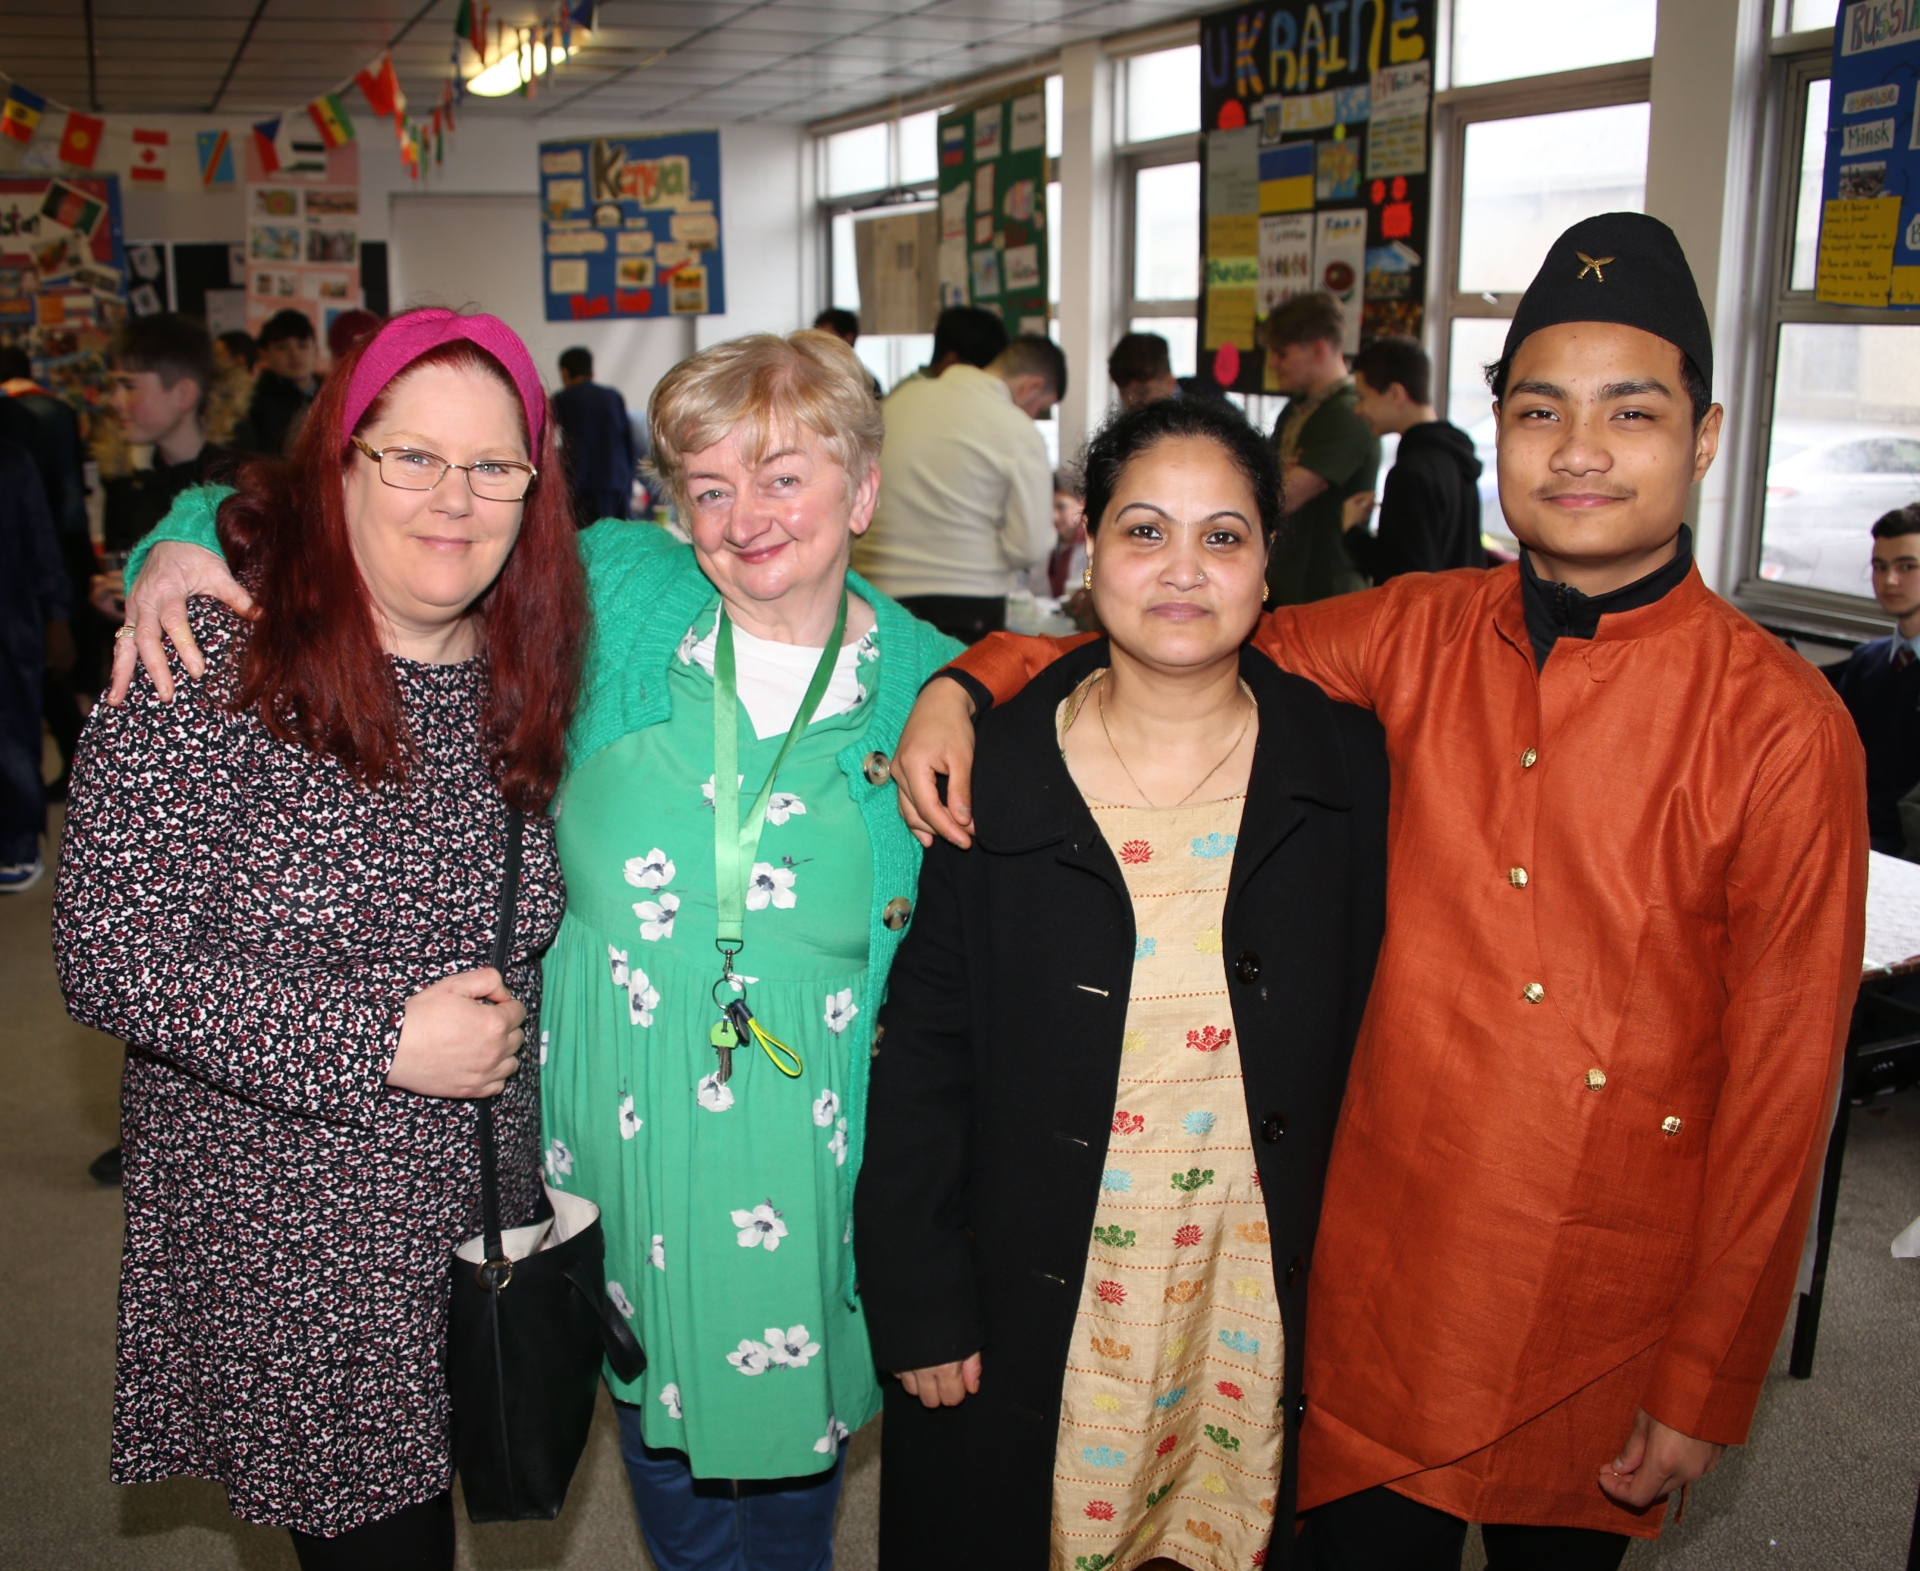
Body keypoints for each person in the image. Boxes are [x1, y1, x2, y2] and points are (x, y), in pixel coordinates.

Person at [887, 213, 1867, 1568]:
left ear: (1703, 438)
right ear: (1495, 428)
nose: (1579, 451)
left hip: (1602, 1307)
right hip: (1376, 1293)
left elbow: (1781, 1083)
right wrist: (974, 675)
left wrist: (1704, 1378)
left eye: (1629, 413)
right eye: (1540, 411)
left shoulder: (1784, 724)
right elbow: (1184, 622)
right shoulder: (1419, 627)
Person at [114, 327, 967, 1571]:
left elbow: (1069, 675)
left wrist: (974, 684)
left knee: (790, 1492)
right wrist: (174, 541)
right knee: (655, 1457)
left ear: (866, 489)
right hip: (601, 1135)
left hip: (807, 1152)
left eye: (785, 475)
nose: (746, 518)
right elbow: (343, 501)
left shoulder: (926, 671)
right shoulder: (622, 587)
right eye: (709, 485)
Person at [53, 308, 585, 1568]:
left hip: (477, 1217)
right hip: (295, 1237)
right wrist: (378, 1035)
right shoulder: (208, 663)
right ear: (339, 461)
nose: (453, 497)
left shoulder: (526, 669)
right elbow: (105, 948)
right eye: (410, 455)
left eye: (492, 464)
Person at [856, 396, 1388, 1571]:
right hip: (1044, 1265)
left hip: (1240, 1264)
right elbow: (928, 1047)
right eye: (1145, 532)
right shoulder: (996, 766)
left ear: (1267, 566)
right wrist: (920, 1290)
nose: (1183, 571)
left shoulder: (1347, 765)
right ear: (1088, 549)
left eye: (1224, 536)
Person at [853, 332, 1063, 644]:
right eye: (1040, 407)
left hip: (872, 594)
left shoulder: (899, 401)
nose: (1033, 416)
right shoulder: (1016, 428)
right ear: (1031, 386)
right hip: (966, 604)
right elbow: (1029, 547)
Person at [1261, 293, 1378, 605]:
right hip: (1287, 589)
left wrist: (1277, 476)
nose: (1272, 364)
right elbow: (1266, 479)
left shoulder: (1349, 413)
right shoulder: (1296, 409)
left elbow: (1278, 497)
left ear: (1318, 350)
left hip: (1328, 594)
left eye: (1281, 354)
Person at [1341, 336, 1484, 583]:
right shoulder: (1454, 456)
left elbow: (1407, 581)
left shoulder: (1410, 473)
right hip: (1465, 614)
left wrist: (1353, 532)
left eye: (1363, 397)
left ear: (1396, 394)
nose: (1358, 410)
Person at [1823, 504, 1920, 855]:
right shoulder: (1869, 661)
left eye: (1906, 566)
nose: (1889, 580)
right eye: (1880, 567)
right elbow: (1838, 765)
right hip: (1850, 832)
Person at [102, 314, 232, 554]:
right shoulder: (128, 486)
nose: (115, 402)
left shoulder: (235, 486)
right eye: (113, 387)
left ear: (184, 395)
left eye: (129, 387)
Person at [0, 434, 68, 892]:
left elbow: (41, 541)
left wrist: (57, 615)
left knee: (11, 736)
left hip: (8, 622)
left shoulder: (10, 459)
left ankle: (19, 842)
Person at [552, 345, 639, 526]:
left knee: (585, 545)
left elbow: (550, 444)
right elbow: (628, 442)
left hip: (580, 487)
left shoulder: (562, 400)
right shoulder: (613, 397)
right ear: (591, 370)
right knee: (617, 541)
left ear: (564, 371)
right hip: (616, 485)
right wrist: (629, 481)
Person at [246, 308, 320, 456]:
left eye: (302, 345)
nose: (294, 354)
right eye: (282, 347)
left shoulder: (332, 394)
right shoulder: (256, 402)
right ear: (266, 355)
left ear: (316, 351)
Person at [812, 307, 884, 398]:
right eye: (816, 338)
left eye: (826, 338)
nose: (819, 344)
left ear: (848, 338)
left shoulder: (866, 382)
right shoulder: (809, 374)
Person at [1108, 330, 1182, 409]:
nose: (1131, 402)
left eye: (1142, 393)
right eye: (1123, 393)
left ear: (1169, 382)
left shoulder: (1194, 415)